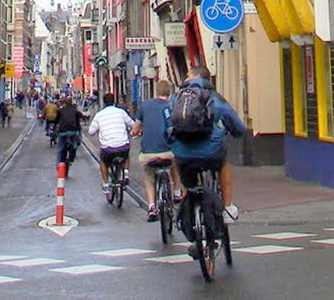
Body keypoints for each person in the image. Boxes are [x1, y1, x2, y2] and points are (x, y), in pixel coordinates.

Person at [166, 65, 248, 249]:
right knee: (223, 162)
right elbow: (237, 126)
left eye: (188, 75)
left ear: (193, 77)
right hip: (211, 154)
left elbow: (167, 125)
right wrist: (236, 132)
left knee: (186, 178)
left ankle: (189, 218)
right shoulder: (215, 98)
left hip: (184, 155)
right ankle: (227, 208)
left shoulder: (176, 98)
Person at [133, 79, 178, 221]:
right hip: (168, 152)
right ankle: (177, 191)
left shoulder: (144, 106)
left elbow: (136, 128)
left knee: (149, 175)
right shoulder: (172, 106)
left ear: (156, 91)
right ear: (169, 92)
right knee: (175, 163)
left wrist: (135, 132)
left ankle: (152, 206)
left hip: (148, 153)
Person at [88, 92, 134, 196]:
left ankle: (105, 184)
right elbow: (133, 124)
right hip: (122, 146)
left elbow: (90, 132)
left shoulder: (99, 115)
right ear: (114, 101)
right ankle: (126, 174)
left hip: (108, 149)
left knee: (103, 161)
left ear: (104, 102)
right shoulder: (121, 112)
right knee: (126, 154)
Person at [53, 93, 85, 167]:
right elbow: (79, 118)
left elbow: (56, 120)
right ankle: (72, 155)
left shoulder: (60, 110)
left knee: (60, 149)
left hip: (62, 132)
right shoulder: (75, 110)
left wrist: (55, 127)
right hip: (73, 131)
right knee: (75, 143)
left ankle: (58, 165)